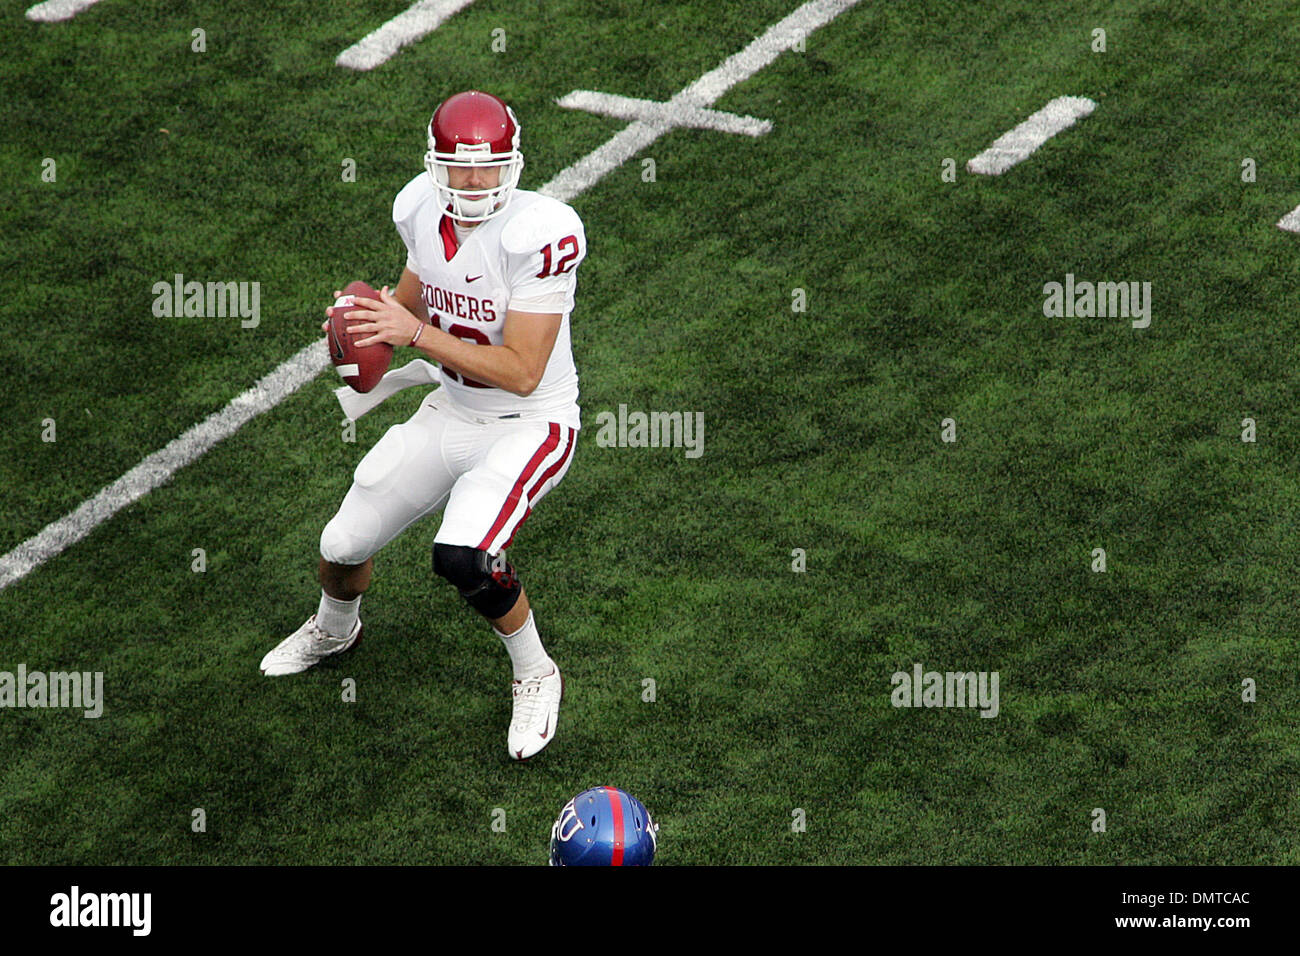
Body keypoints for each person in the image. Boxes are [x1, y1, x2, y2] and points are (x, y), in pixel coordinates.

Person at [260, 90, 586, 762]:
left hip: (530, 422)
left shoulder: (542, 234)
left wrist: (415, 336)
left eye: (488, 166)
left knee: (464, 556)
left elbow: (524, 370)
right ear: (434, 166)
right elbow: (413, 297)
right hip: (452, 408)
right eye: (459, 167)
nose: (473, 181)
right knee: (341, 543)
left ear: (512, 165)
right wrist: (368, 323)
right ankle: (335, 630)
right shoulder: (416, 206)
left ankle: (535, 671)